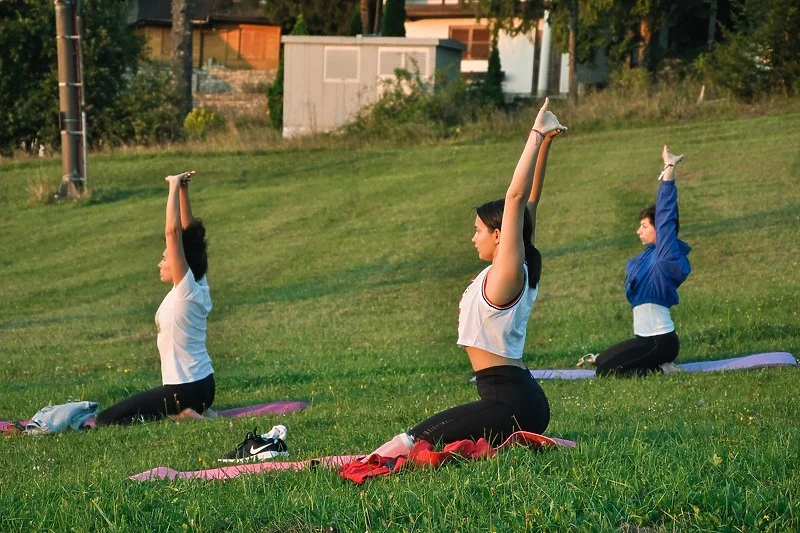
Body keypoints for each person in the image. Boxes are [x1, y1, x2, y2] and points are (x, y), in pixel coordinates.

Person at [367, 99, 566, 458]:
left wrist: (535, 135)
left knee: (414, 443)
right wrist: (548, 141)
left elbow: (518, 198)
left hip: (512, 401)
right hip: (515, 398)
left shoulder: (507, 273)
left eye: (478, 231)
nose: (473, 238)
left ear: (499, 235)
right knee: (420, 440)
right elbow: (532, 199)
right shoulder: (508, 268)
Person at [97, 171, 215, 425]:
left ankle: (184, 414)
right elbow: (189, 235)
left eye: (165, 258)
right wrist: (184, 191)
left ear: (178, 262)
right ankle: (187, 412)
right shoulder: (197, 283)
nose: (160, 263)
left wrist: (172, 186)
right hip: (204, 388)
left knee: (106, 420)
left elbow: (174, 234)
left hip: (184, 391)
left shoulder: (185, 291)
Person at [592, 146, 692, 377]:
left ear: (661, 231)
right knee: (603, 360)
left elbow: (667, 216)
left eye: (644, 226)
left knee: (605, 372)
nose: (638, 231)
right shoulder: (649, 256)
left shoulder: (665, 256)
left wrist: (669, 170)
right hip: (646, 339)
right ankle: (656, 365)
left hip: (659, 342)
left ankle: (661, 369)